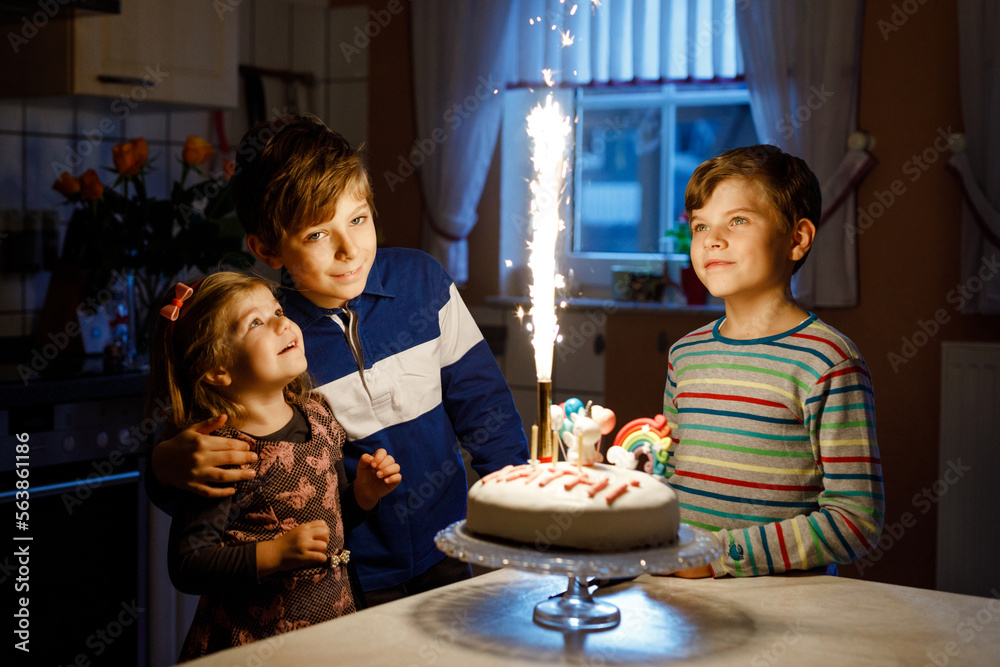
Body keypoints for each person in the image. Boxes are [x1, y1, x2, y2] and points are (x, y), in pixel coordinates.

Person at [147, 114, 528, 605]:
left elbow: (485, 408)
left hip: (450, 549)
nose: (349, 250)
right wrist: (163, 465)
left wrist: (521, 513)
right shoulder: (273, 343)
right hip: (344, 581)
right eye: (316, 235)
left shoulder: (424, 283)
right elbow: (208, 466)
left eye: (358, 219)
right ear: (267, 248)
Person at [148, 272, 401, 660]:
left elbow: (331, 526)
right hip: (254, 648)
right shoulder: (224, 454)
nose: (283, 324)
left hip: (331, 635)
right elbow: (188, 564)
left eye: (278, 311)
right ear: (217, 368)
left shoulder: (319, 416)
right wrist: (275, 554)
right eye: (256, 322)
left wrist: (364, 496)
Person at [664, 145, 883, 578]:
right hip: (685, 596)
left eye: (738, 220)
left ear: (797, 239)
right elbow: (670, 477)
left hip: (784, 605)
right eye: (701, 225)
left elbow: (857, 521)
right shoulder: (684, 355)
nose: (712, 239)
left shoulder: (828, 361)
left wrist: (716, 556)